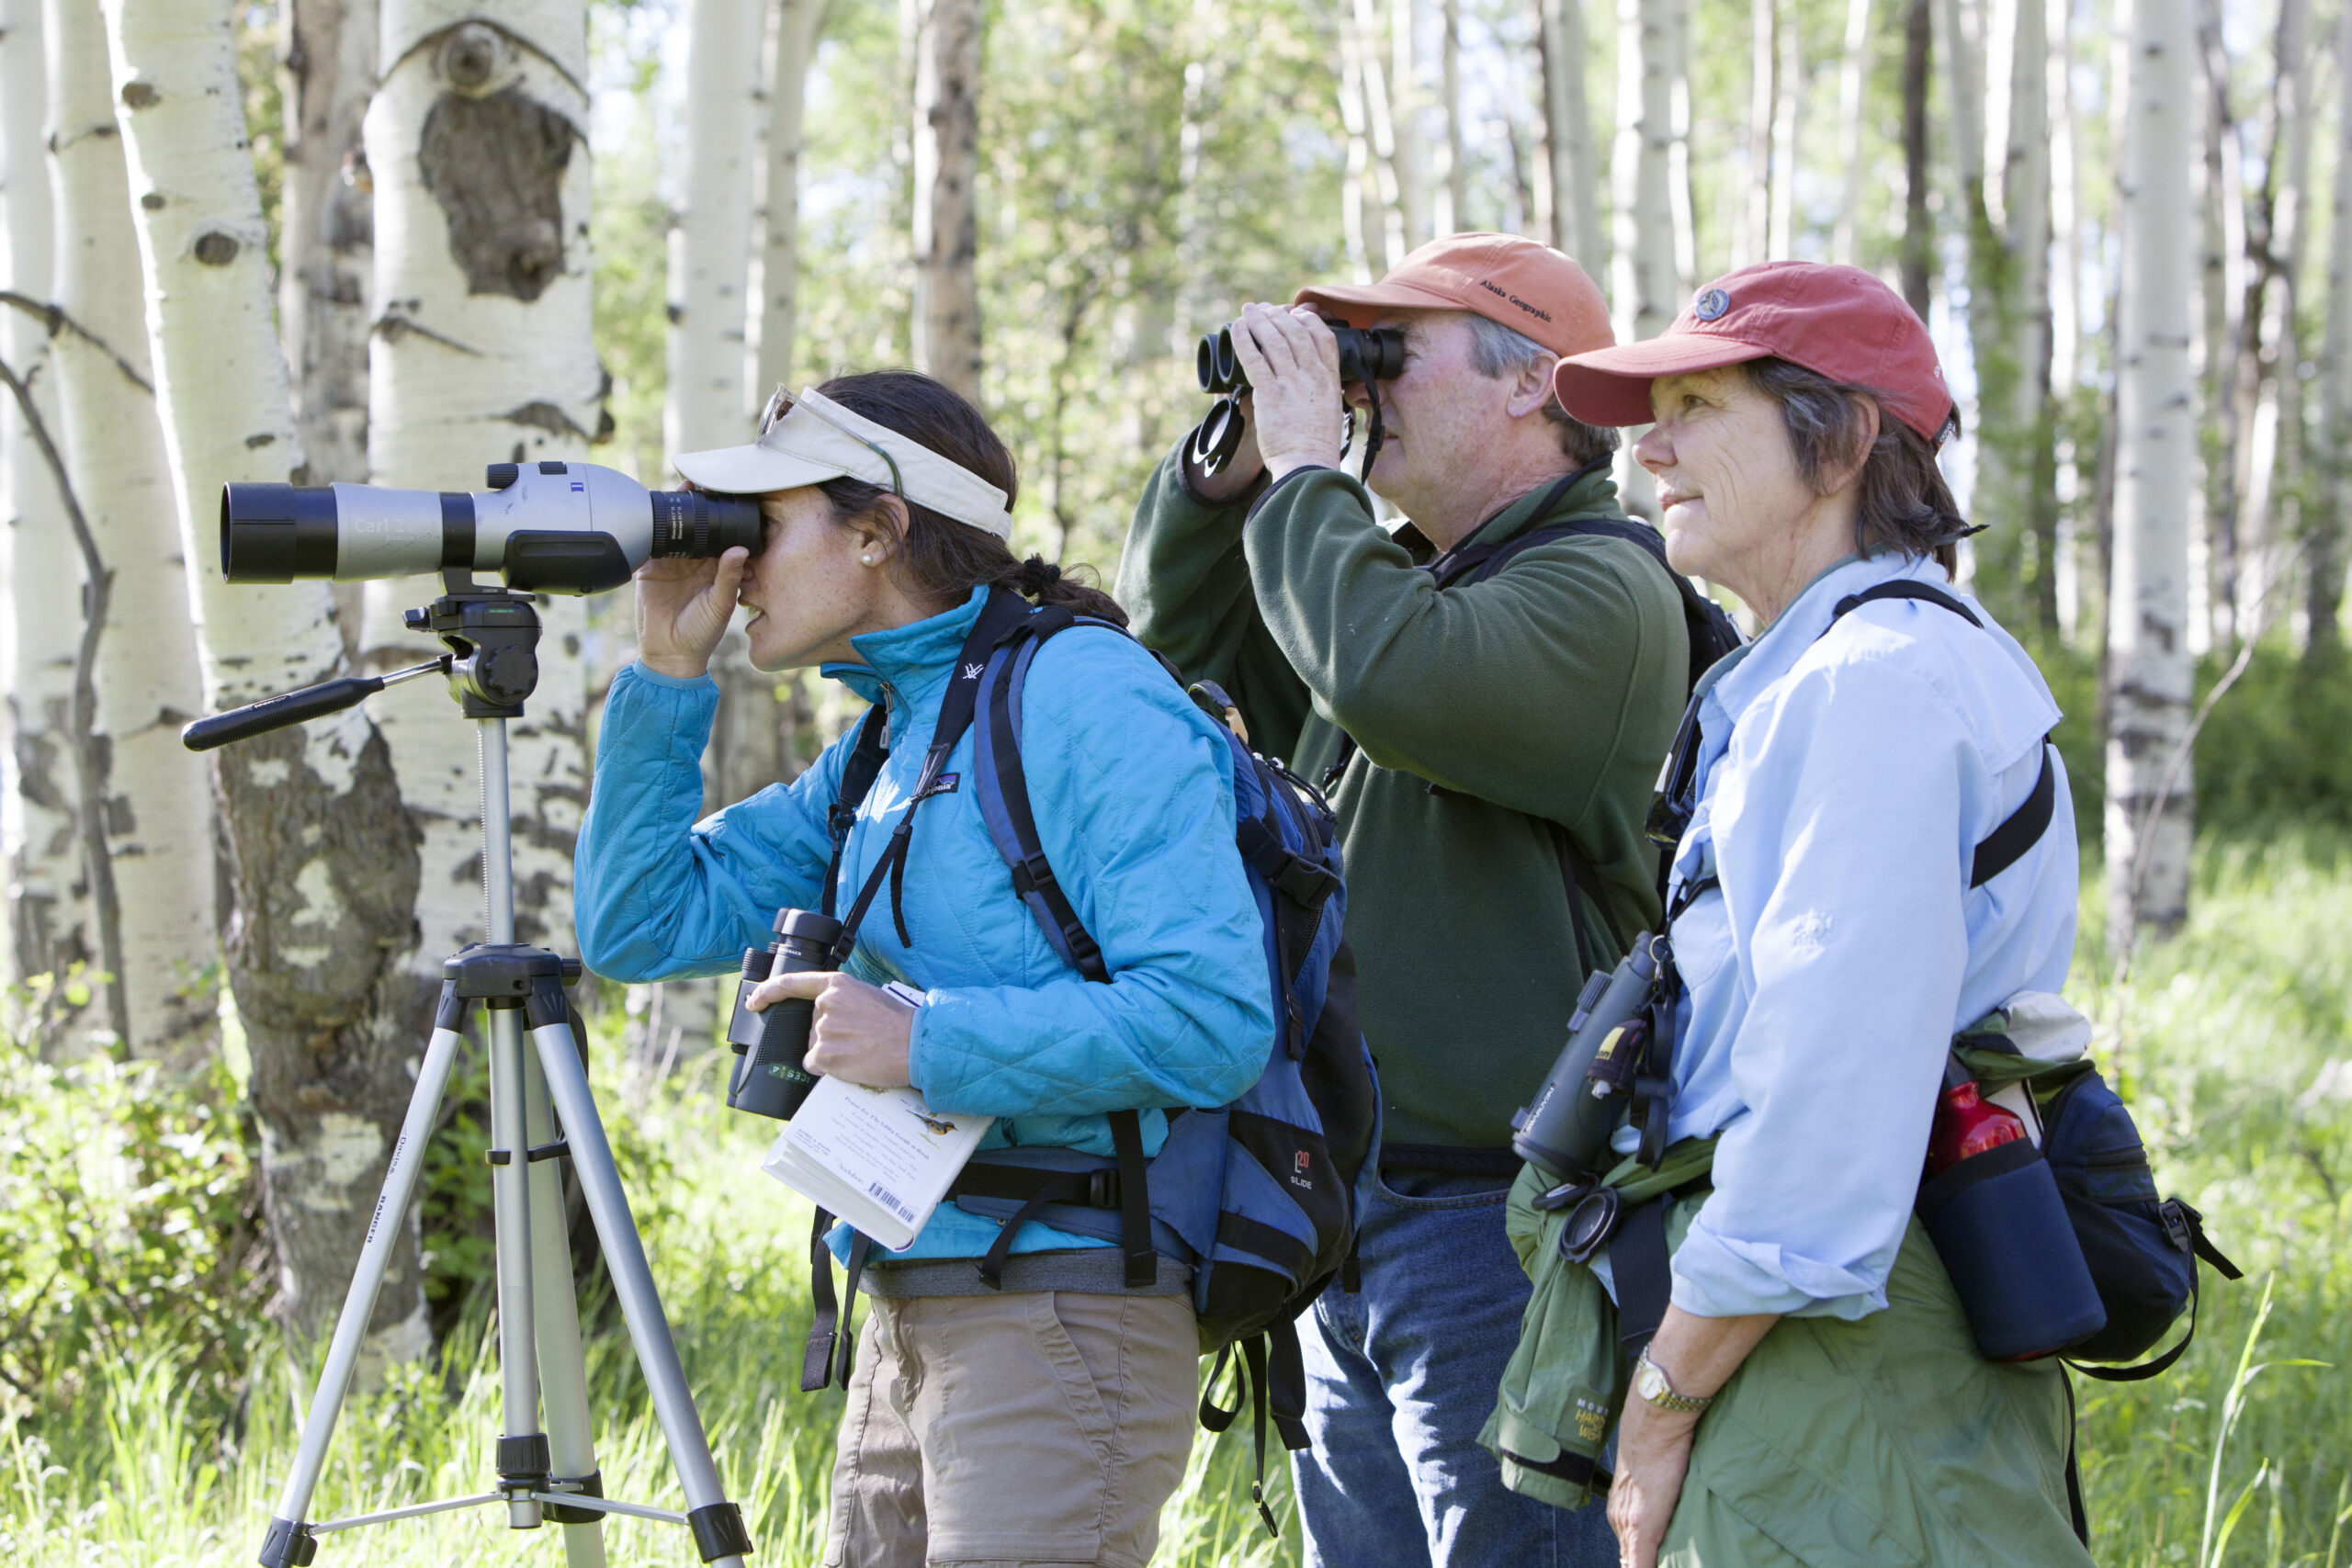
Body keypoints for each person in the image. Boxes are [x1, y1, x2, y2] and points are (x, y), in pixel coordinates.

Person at [572, 371, 1275, 1568]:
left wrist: (921, 1040)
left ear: (876, 529)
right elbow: (637, 924)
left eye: (765, 526)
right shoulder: (884, 748)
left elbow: (1212, 1020)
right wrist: (665, 675)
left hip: (1061, 1312)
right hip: (905, 1310)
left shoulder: (1084, 696)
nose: (734, 570)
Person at [1119, 232, 1689, 1568]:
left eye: (1389, 353)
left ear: (1528, 384)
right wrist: (1233, 470)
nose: (1361, 389)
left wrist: (1316, 467)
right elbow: (1179, 660)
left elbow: (1387, 675)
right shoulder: (1389, 587)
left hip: (1503, 1234)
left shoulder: (1603, 585)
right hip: (1340, 1215)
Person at [1541, 260, 2091, 1567]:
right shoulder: (1820, 680)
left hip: (1846, 1371)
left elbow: (1831, 1126)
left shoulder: (1875, 687)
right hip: (1821, 1355)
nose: (1647, 447)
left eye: (1696, 406)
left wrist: (1664, 1402)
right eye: (1646, 411)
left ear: (1838, 438)